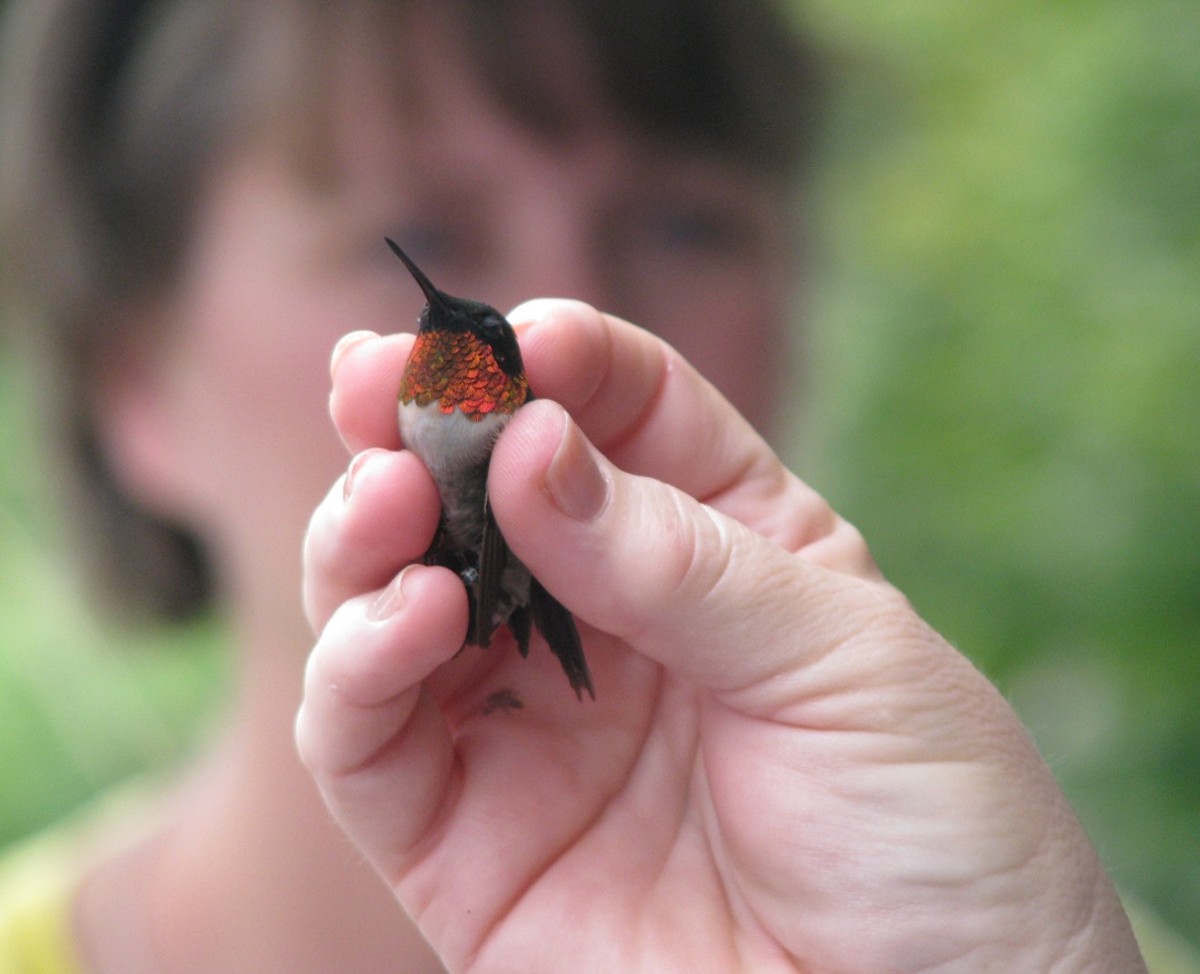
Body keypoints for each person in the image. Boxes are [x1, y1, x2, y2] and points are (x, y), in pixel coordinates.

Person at [0, 0, 1173, 970]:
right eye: (420, 226)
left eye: (681, 225)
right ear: (135, 380)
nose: (567, 306)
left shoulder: (1027, 932)